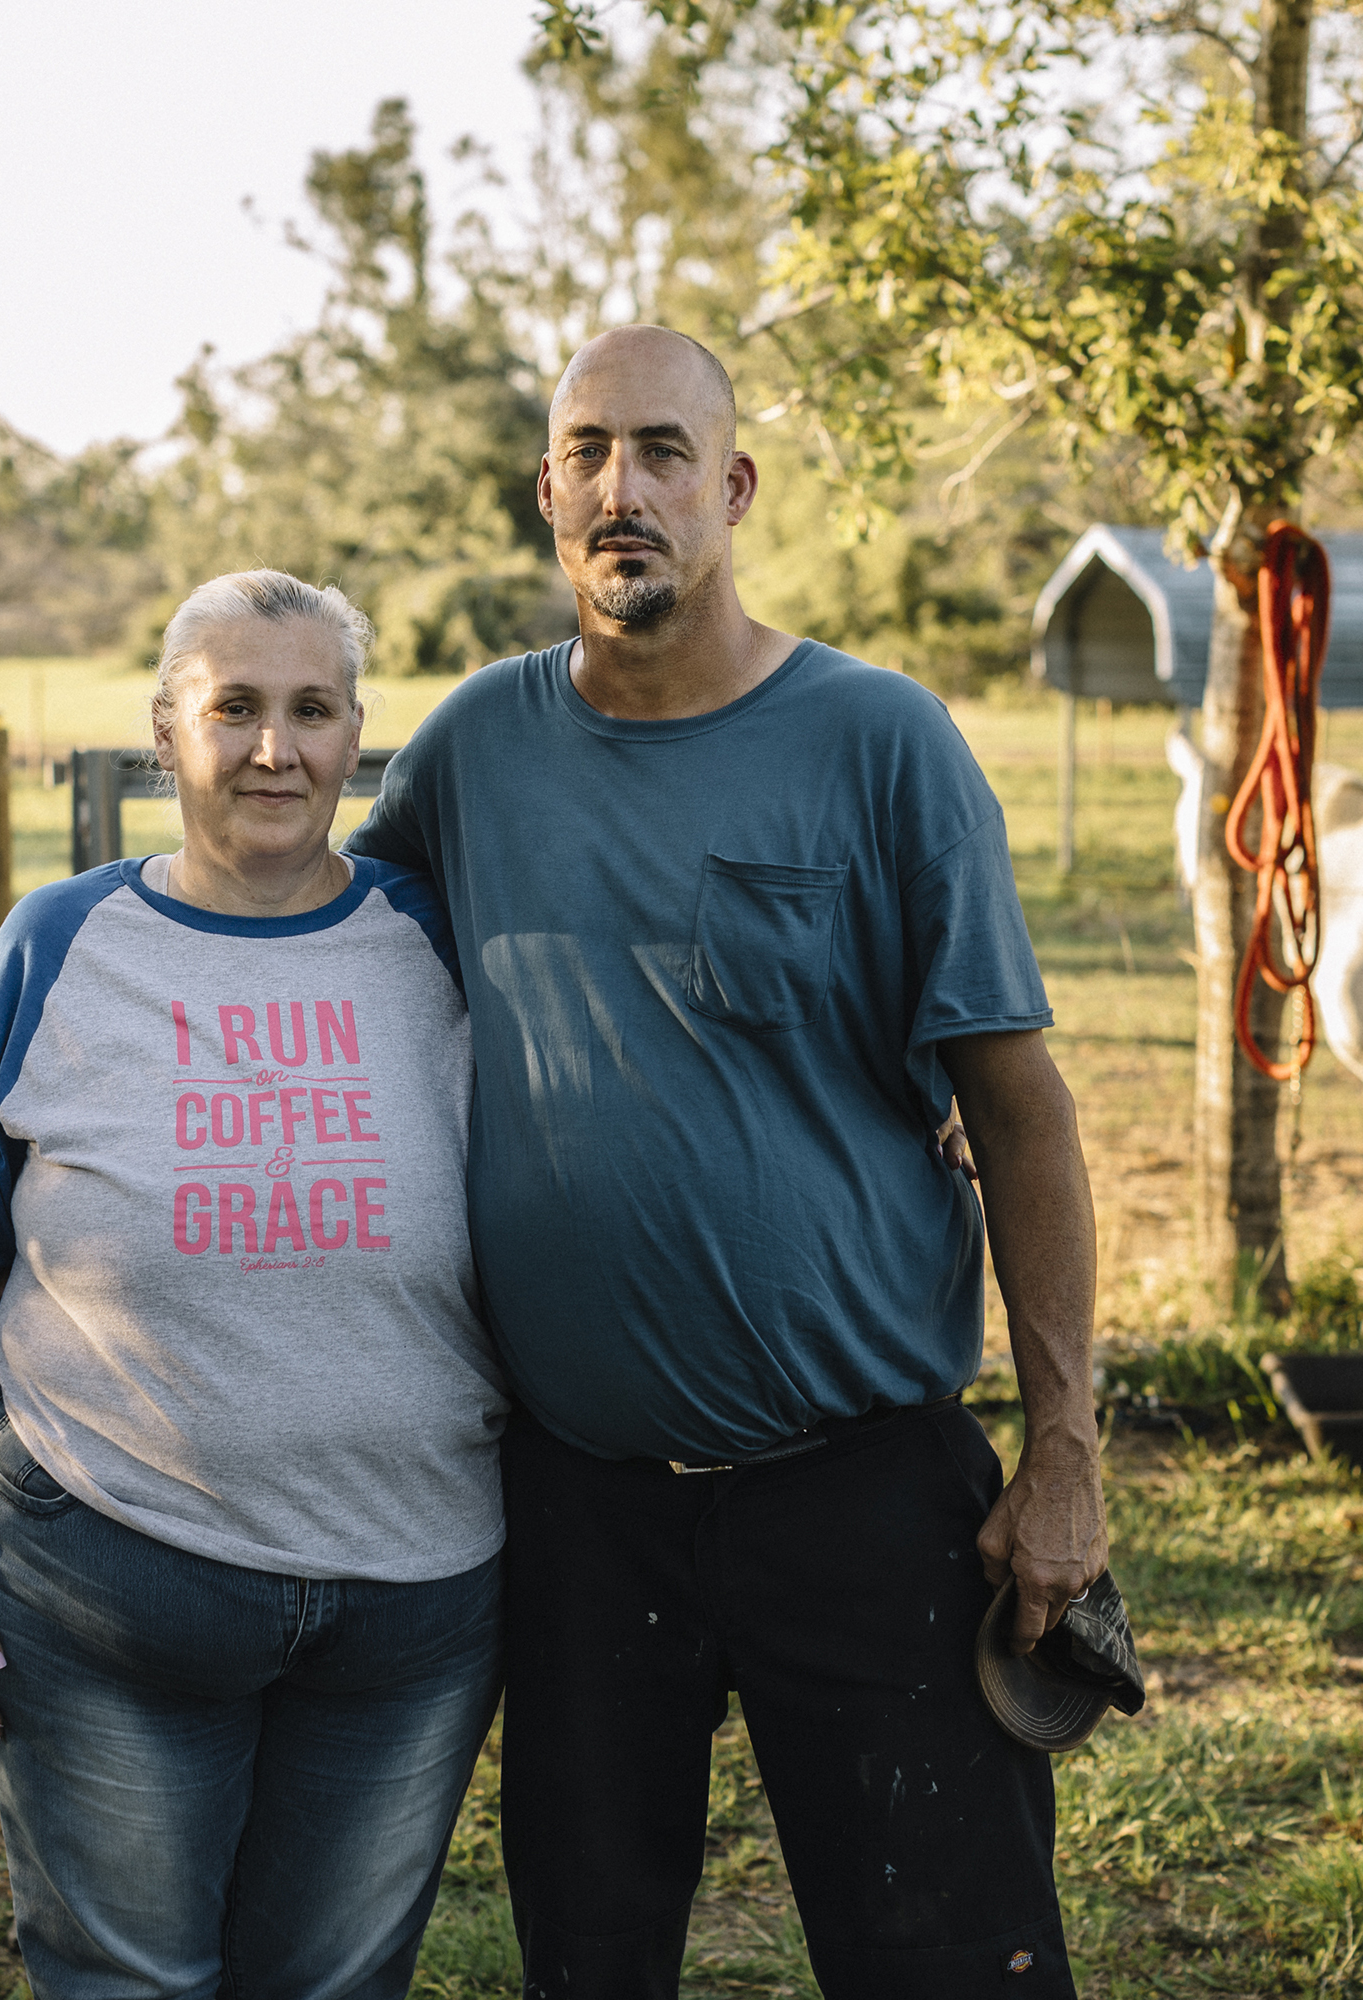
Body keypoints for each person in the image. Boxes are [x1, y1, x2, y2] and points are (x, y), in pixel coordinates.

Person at [344, 326, 1109, 1996]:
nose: (627, 491)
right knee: (591, 1950)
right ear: (547, 493)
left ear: (735, 486)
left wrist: (1064, 1446)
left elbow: (1020, 1108)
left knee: (942, 1950)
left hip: (863, 1485)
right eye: (590, 454)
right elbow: (323, 955)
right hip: (577, 1501)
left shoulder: (879, 743)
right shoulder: (472, 757)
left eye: (666, 452)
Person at [0, 571, 507, 2000]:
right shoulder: (54, 949)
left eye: (312, 711)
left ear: (357, 740)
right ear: (167, 732)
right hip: (108, 1583)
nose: (273, 750)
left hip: (411, 1603)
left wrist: (917, 1094)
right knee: (127, 1983)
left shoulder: (446, 947)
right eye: (233, 709)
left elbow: (644, 1060)